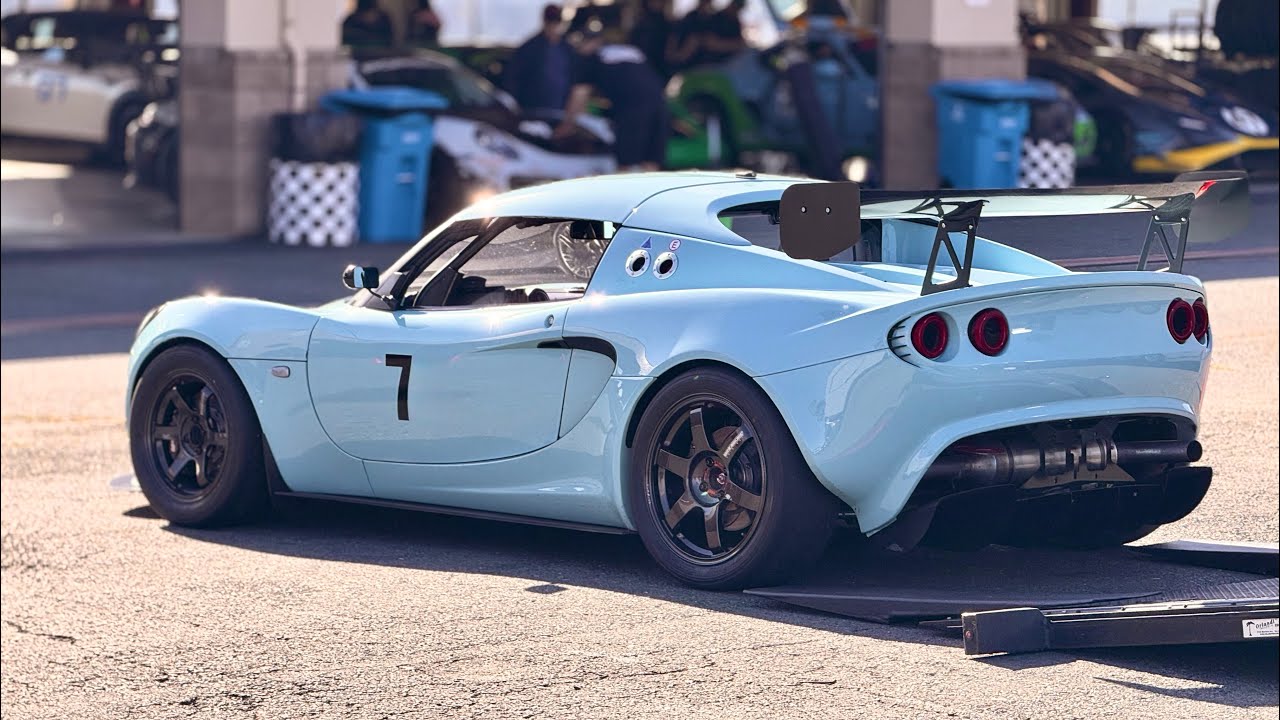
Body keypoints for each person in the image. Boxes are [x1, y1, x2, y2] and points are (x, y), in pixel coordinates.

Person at [555, 28, 667, 171]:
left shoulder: (590, 59)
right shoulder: (628, 51)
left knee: (625, 161)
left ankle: (623, 190)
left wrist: (566, 126)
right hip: (660, 103)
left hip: (633, 107)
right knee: (650, 160)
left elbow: (579, 96)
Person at [503, 4, 574, 113]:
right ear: (545, 22)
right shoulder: (529, 48)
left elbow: (573, 76)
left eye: (556, 22)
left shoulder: (566, 48)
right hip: (534, 110)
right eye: (551, 22)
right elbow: (513, 78)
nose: (554, 27)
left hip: (560, 110)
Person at [630, 0, 673, 78]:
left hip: (659, 67)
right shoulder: (642, 24)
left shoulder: (665, 24)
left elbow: (668, 51)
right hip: (643, 66)